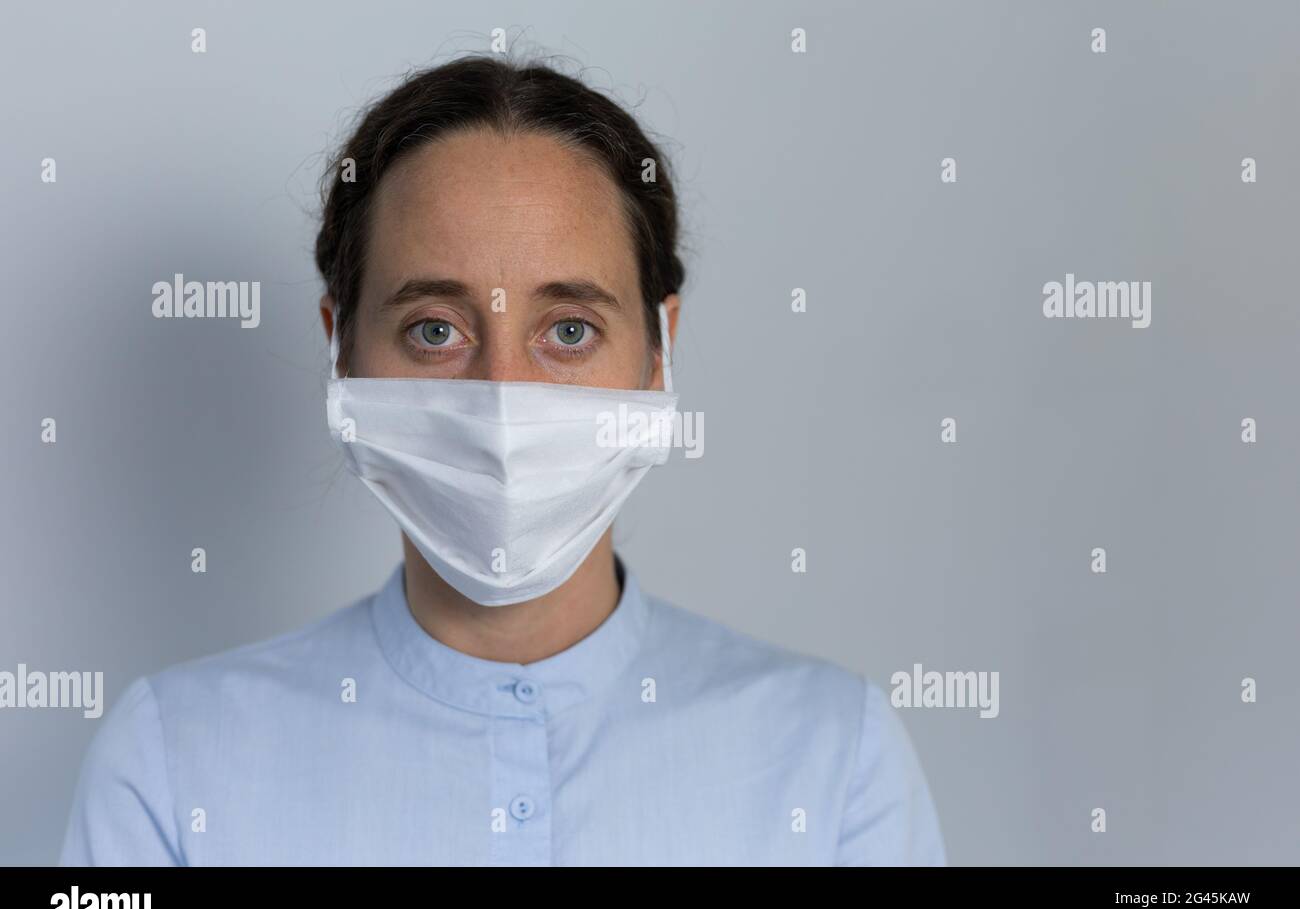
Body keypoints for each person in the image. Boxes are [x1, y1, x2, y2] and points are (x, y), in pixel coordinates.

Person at [59, 54, 945, 866]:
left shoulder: (833, 759)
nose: (502, 397)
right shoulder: (173, 763)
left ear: (658, 352)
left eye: (568, 330)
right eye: (435, 330)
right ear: (342, 351)